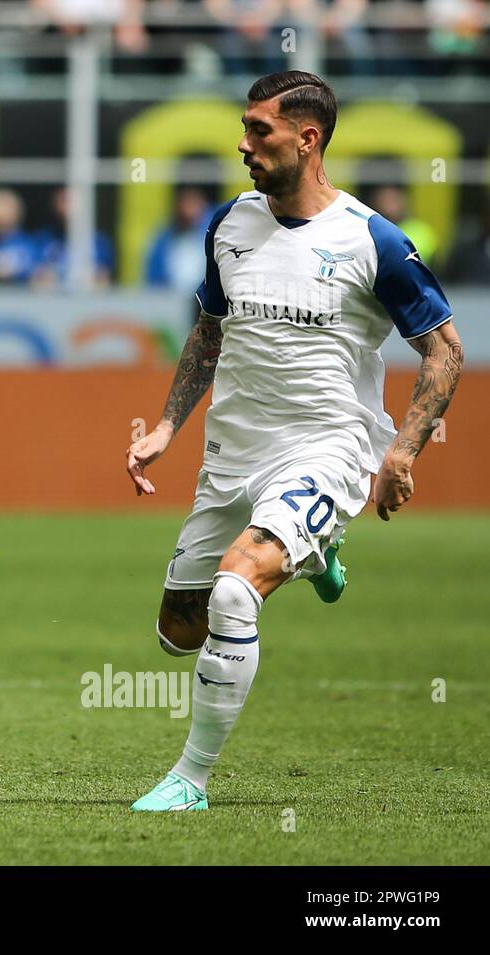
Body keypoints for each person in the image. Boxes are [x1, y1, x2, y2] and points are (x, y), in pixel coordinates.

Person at [124, 71, 463, 812]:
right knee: (179, 630)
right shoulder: (228, 225)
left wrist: (401, 449)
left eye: (259, 131)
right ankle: (317, 557)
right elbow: (208, 332)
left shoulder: (372, 239)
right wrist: (165, 427)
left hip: (326, 449)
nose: (243, 145)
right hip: (232, 455)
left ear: (307, 138)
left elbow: (444, 349)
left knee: (235, 590)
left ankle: (191, 779)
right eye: (243, 128)